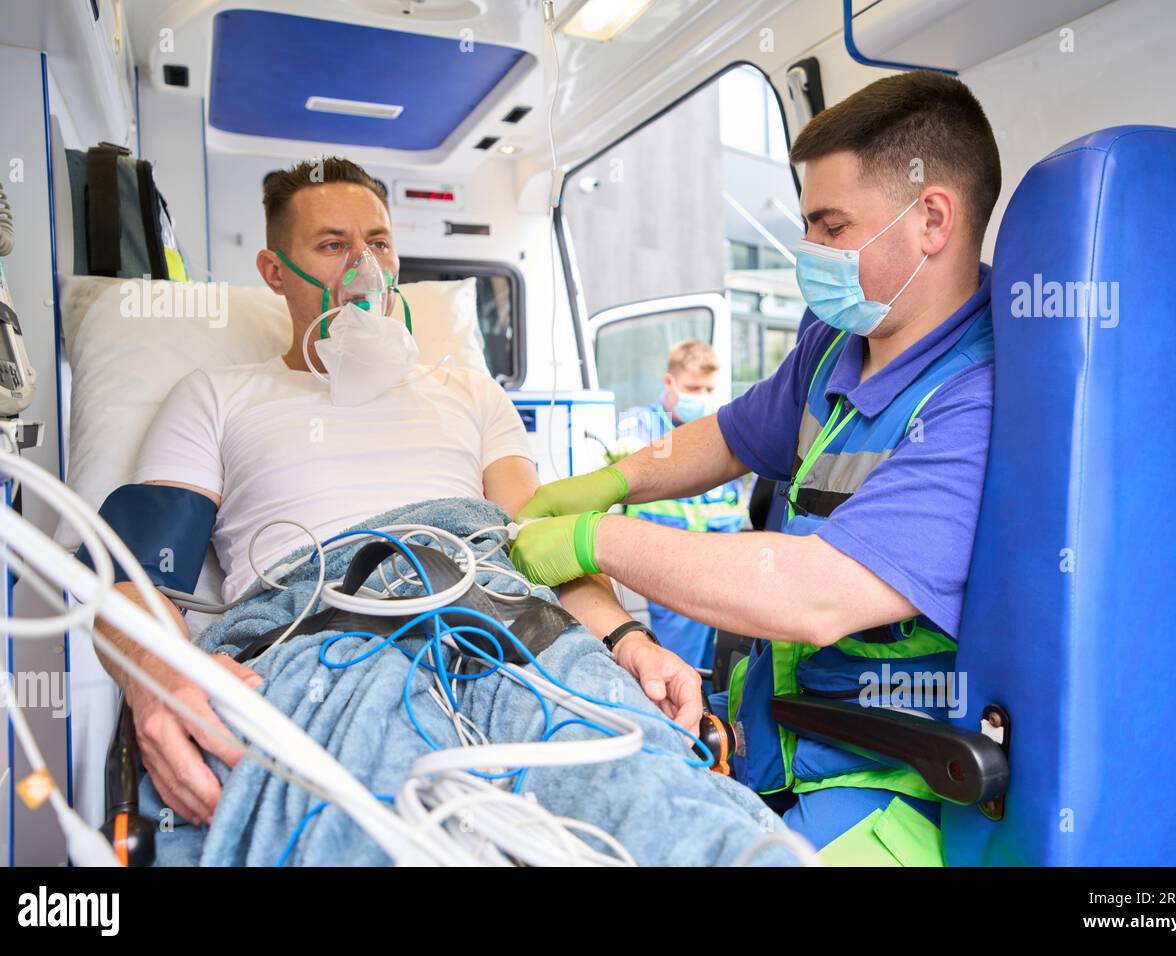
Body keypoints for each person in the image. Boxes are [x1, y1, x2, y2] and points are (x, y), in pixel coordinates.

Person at [90, 157, 702, 828]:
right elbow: (138, 577)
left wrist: (625, 638)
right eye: (332, 245)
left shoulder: (469, 391)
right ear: (273, 272)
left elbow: (538, 544)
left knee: (660, 803)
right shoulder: (218, 395)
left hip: (500, 626)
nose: (363, 266)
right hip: (321, 646)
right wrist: (158, 675)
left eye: (377, 242)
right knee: (367, 827)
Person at [510, 70, 1002, 865]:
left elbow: (812, 592)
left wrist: (597, 540)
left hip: (888, 783)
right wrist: (618, 479)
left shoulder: (976, 400)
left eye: (832, 226)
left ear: (932, 219)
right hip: (774, 749)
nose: (810, 252)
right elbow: (732, 437)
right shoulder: (837, 340)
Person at [613, 339, 747, 671]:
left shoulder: (720, 427)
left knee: (715, 667)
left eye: (707, 389)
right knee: (674, 665)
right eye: (692, 388)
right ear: (669, 383)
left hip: (721, 568)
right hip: (665, 567)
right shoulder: (639, 427)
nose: (701, 397)